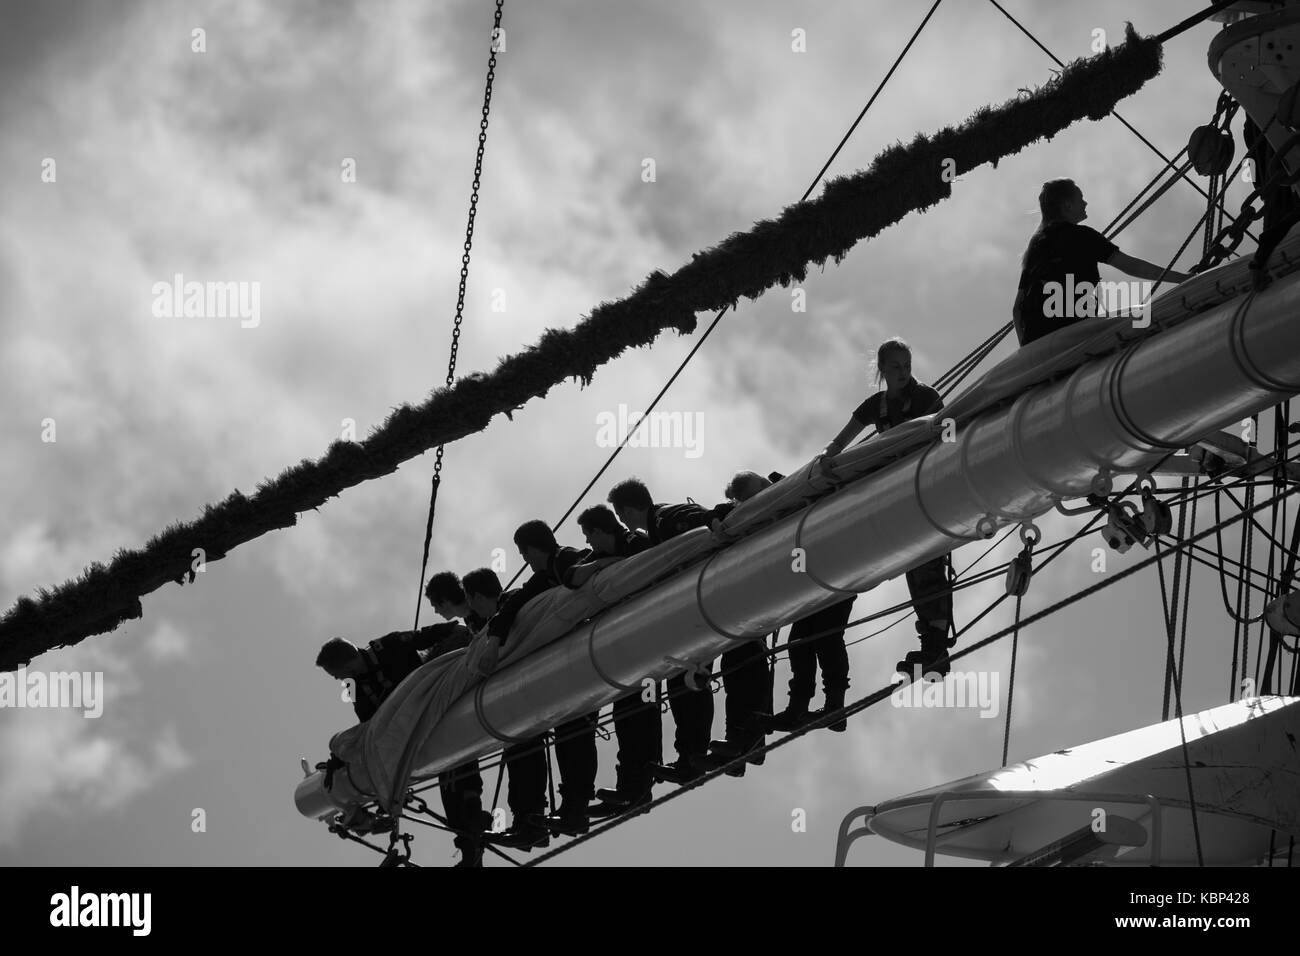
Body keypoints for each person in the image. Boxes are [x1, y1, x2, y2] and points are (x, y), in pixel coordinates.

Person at [819, 338, 953, 682]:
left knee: (928, 563)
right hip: (901, 494)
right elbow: (841, 440)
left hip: (925, 485)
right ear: (882, 370)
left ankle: (936, 645)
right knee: (913, 563)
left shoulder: (925, 397)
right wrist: (827, 460)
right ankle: (931, 645)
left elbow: (947, 429)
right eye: (895, 367)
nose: (903, 373)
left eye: (907, 366)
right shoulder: (876, 406)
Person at [316, 617, 487, 866]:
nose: (336, 679)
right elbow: (371, 728)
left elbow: (438, 632)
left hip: (436, 708)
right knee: (451, 796)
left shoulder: (389, 646)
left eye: (334, 673)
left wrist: (461, 642)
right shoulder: (355, 688)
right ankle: (472, 854)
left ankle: (474, 824)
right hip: (417, 734)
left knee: (459, 777)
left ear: (346, 663)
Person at [607, 478, 727, 784]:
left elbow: (704, 516)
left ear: (632, 509)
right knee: (682, 684)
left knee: (689, 683)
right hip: (695, 611)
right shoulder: (658, 528)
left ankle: (693, 755)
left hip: (705, 604)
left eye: (623, 516)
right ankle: (688, 757)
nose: (626, 525)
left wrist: (713, 518)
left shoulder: (665, 517)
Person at [488, 521, 600, 839]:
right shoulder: (545, 576)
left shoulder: (569, 559)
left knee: (574, 735)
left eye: (524, 553)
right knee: (569, 734)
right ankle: (571, 808)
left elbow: (584, 574)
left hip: (587, 657)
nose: (525, 560)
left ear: (535, 549)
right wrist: (494, 639)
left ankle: (576, 807)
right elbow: (512, 606)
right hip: (574, 665)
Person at [1013, 178, 1191, 346]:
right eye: (1080, 198)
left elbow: (1017, 309)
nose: (1085, 203)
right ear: (1067, 205)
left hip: (1036, 342)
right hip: (1075, 332)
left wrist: (1026, 352)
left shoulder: (1036, 246)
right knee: (1147, 319)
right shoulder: (1082, 236)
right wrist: (1183, 279)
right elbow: (1132, 266)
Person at [571, 505, 666, 817]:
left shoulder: (639, 544)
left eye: (589, 535)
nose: (588, 542)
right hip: (622, 648)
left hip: (646, 639)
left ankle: (640, 785)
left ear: (600, 531)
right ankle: (630, 787)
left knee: (642, 714)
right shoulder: (595, 558)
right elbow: (572, 578)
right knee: (626, 716)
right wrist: (609, 563)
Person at [461, 566, 552, 851]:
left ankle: (532, 821)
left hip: (527, 695)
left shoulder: (513, 607)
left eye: (469, 598)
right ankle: (527, 823)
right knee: (519, 760)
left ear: (476, 596)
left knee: (525, 758)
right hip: (516, 700)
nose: (469, 605)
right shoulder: (494, 620)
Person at [696, 472, 778, 775]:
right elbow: (714, 513)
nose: (770, 486)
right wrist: (717, 518)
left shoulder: (780, 498)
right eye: (762, 485)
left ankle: (747, 743)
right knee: (738, 672)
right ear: (746, 497)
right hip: (744, 609)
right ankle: (740, 743)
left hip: (752, 609)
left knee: (746, 671)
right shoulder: (740, 515)